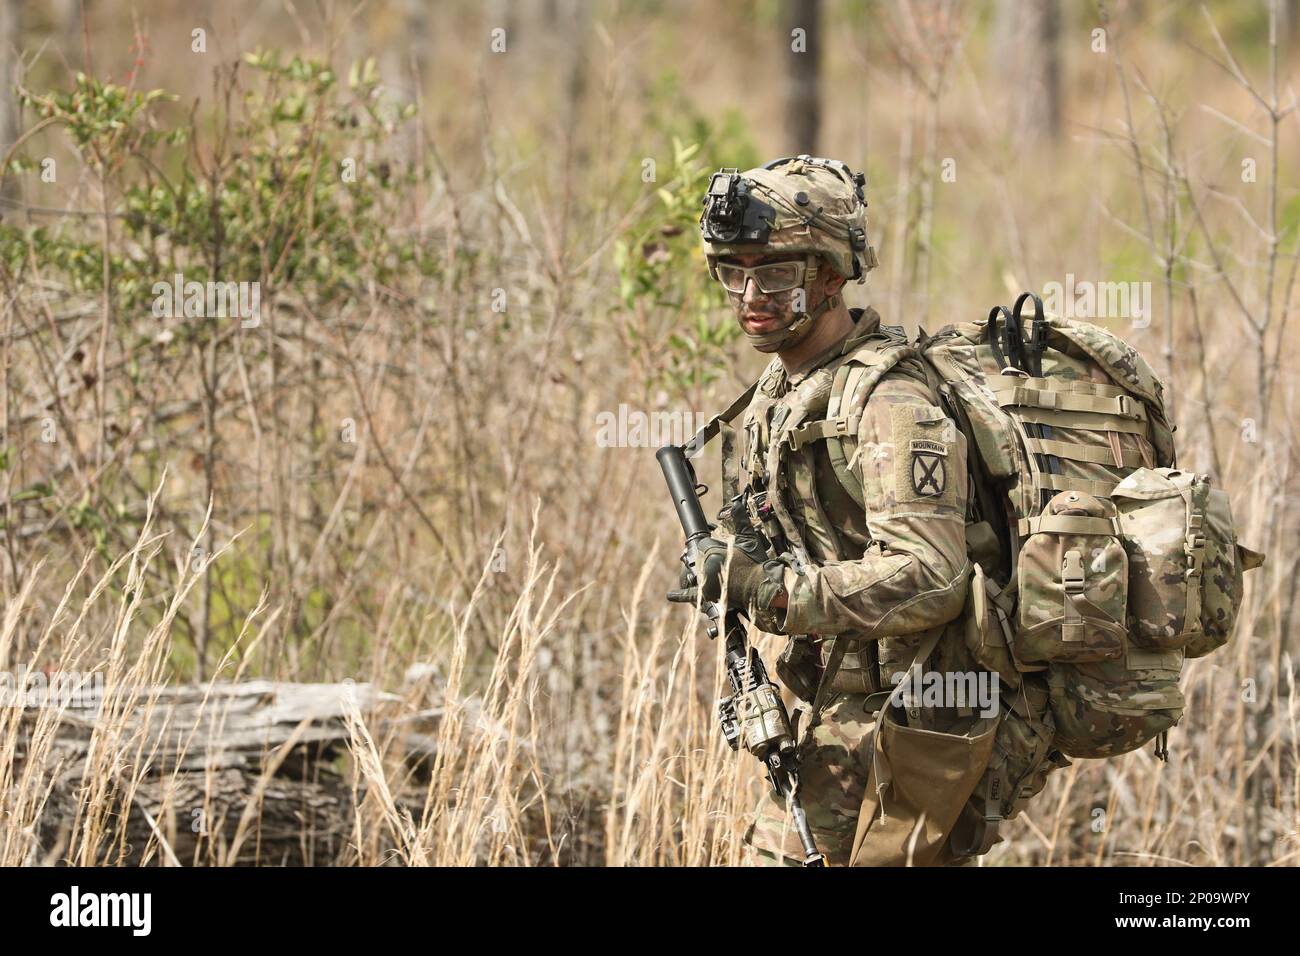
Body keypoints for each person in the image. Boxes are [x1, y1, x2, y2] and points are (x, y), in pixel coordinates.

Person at [667, 156, 1052, 866]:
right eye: (734, 271)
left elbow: (932, 574)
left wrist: (772, 591)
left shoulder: (890, 405)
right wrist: (727, 556)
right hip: (841, 711)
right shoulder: (784, 392)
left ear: (834, 273)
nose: (751, 293)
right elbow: (781, 526)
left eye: (777, 272)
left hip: (916, 720)